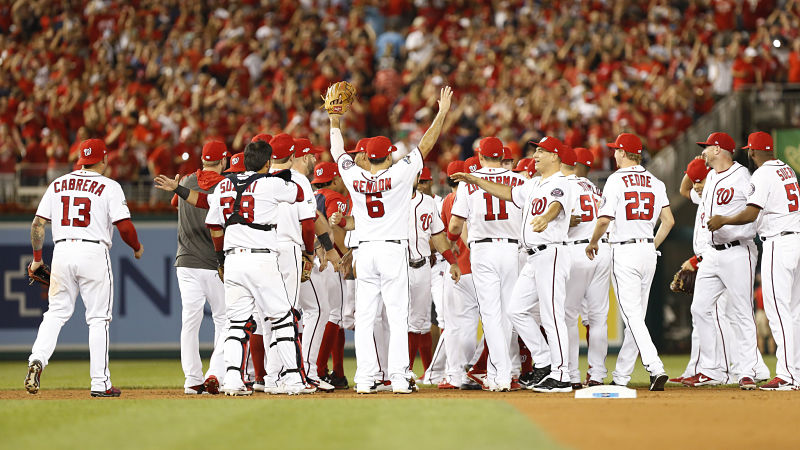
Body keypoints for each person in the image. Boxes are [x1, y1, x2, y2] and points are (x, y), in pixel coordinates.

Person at [329, 86, 452, 394]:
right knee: (398, 316)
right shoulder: (399, 174)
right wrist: (441, 114)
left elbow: (337, 152)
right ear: (389, 155)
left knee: (366, 316)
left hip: (364, 252)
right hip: (393, 251)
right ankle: (398, 377)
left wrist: (334, 119)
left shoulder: (355, 177)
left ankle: (366, 378)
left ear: (367, 157)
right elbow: (425, 145)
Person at [452, 136, 575, 393]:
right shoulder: (530, 183)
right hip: (527, 254)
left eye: (541, 151)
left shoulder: (561, 181)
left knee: (552, 315)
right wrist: (477, 180)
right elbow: (507, 193)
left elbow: (555, 205)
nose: (536, 154)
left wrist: (546, 217)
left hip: (551, 251)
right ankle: (542, 361)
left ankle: (562, 374)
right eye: (536, 150)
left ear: (555, 156)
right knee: (515, 309)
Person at [25, 139, 144, 397]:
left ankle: (37, 359)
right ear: (104, 160)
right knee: (98, 319)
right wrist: (136, 246)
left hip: (62, 250)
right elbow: (124, 227)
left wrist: (37, 259)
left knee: (56, 312)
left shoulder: (58, 183)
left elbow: (37, 224)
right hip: (93, 251)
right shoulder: (109, 186)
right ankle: (100, 383)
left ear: (81, 160)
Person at [203, 139, 313, 396]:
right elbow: (297, 193)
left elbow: (215, 227)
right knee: (283, 318)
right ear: (267, 162)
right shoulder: (271, 183)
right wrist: (282, 173)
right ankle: (294, 379)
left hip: (233, 259)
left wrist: (220, 259)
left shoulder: (224, 186)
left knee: (236, 323)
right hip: (262, 258)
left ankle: (232, 380)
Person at [708, 131, 800, 390]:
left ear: (753, 151)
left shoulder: (762, 174)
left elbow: (751, 213)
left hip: (778, 243)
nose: (748, 154)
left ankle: (787, 375)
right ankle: (796, 372)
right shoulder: (787, 169)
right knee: (793, 313)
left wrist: (723, 219)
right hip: (796, 240)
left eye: (749, 150)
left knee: (778, 311)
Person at [585, 133, 673, 391]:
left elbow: (603, 220)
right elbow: (668, 221)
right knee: (637, 316)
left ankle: (655, 367)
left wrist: (592, 242)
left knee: (632, 315)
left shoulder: (616, 180)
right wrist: (651, 245)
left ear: (624, 153)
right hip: (648, 250)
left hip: (624, 251)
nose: (614, 154)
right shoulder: (655, 181)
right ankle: (622, 375)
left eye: (616, 150)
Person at [683, 132, 763, 388]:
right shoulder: (711, 179)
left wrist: (726, 222)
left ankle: (748, 370)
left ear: (718, 150)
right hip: (713, 255)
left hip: (738, 250)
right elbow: (686, 190)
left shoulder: (742, 176)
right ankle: (712, 369)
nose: (703, 152)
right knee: (700, 308)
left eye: (706, 148)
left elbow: (754, 214)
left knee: (741, 312)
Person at [448, 136, 526, 391]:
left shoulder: (469, 184)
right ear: (502, 156)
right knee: (507, 314)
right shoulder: (518, 180)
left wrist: (453, 240)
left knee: (491, 314)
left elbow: (455, 225)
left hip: (483, 248)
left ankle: (499, 374)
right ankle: (498, 371)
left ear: (481, 156)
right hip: (512, 249)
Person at [171, 140, 229, 395]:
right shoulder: (226, 186)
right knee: (225, 321)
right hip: (216, 263)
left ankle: (192, 380)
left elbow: (176, 203)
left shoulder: (185, 182)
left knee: (190, 321)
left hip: (186, 261)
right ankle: (215, 372)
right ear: (223, 160)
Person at [563, 146, 611, 388]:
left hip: (577, 250)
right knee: (598, 317)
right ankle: (597, 374)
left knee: (568, 316)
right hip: (602, 250)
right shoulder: (597, 190)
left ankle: (571, 375)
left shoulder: (565, 185)